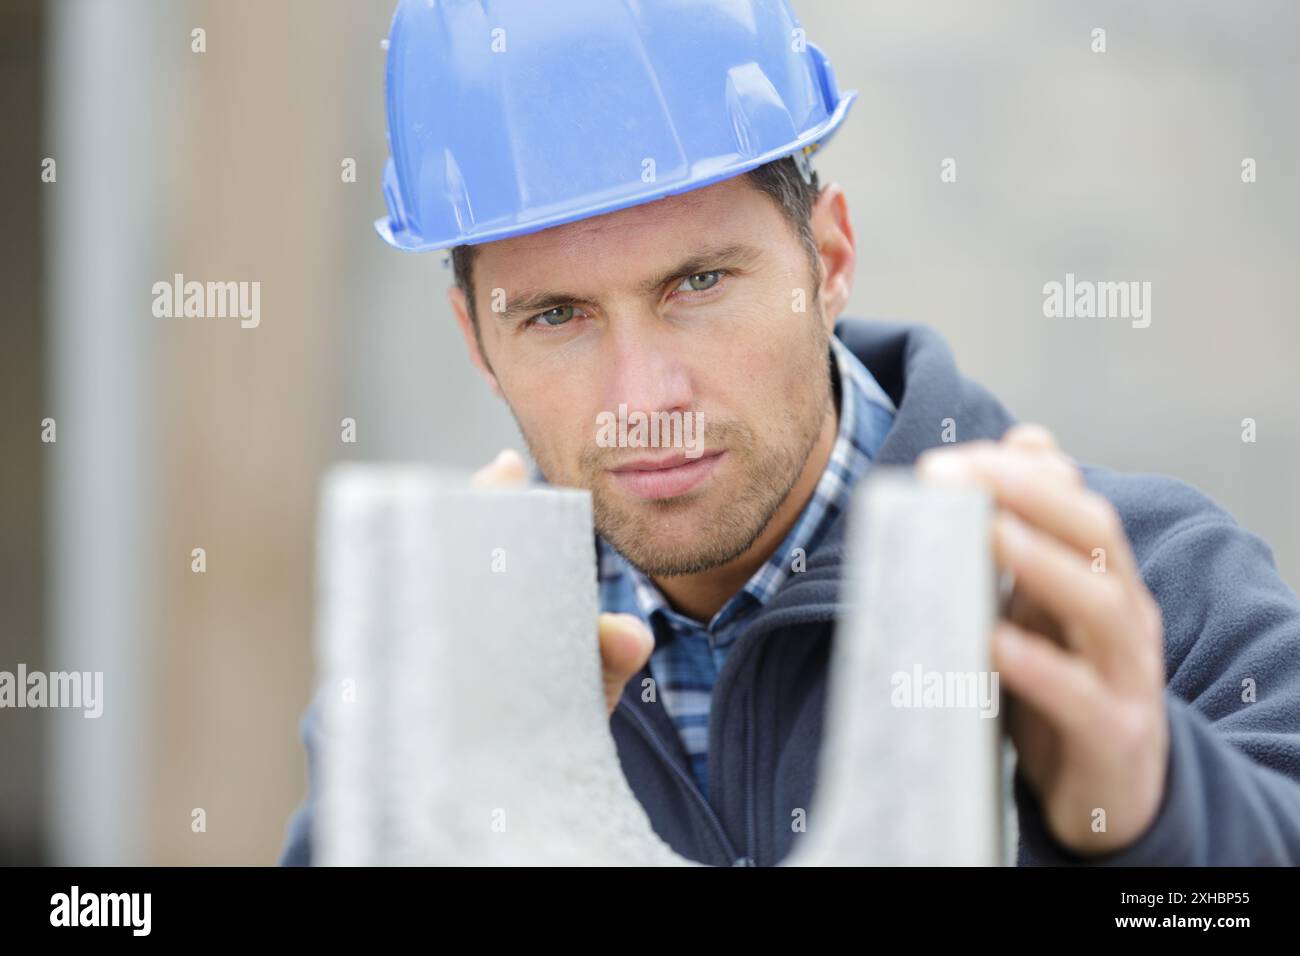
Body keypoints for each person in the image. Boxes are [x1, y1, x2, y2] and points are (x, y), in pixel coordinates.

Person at [280, 0, 1300, 866]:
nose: (643, 394)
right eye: (555, 315)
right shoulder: (430, 702)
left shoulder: (1149, 599)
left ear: (830, 255)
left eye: (698, 283)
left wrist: (1150, 802)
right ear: (475, 336)